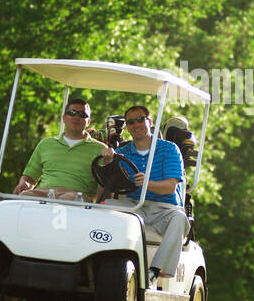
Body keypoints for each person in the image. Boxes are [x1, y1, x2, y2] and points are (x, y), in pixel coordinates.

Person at [100, 104, 188, 288]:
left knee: (179, 219)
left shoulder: (169, 149)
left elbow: (170, 187)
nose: (136, 124)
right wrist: (108, 161)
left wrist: (148, 183)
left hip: (164, 209)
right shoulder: (123, 152)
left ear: (149, 122)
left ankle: (154, 271)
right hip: (133, 206)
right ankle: (101, 263)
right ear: (128, 126)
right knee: (103, 207)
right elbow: (111, 184)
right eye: (131, 122)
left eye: (140, 119)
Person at [14, 98, 104, 199]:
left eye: (82, 115)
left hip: (77, 197)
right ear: (64, 118)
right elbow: (29, 178)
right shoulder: (45, 144)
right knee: (25, 195)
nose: (77, 117)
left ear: (88, 122)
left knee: (68, 198)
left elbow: (104, 186)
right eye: (72, 112)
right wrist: (23, 184)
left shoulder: (100, 149)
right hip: (45, 194)